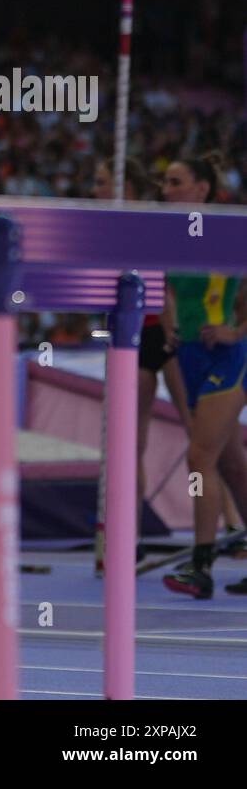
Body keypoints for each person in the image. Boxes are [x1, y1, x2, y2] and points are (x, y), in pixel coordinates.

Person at [91, 157, 193, 559]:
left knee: (202, 438)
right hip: (128, 340)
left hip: (162, 333)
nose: (94, 191)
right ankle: (125, 537)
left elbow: (166, 283)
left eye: (101, 183)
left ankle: (234, 523)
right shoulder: (105, 229)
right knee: (129, 444)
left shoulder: (148, 223)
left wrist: (173, 328)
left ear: (124, 188)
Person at [157, 154, 247, 599]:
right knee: (232, 464)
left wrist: (237, 330)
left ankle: (202, 565)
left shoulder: (229, 232)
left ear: (202, 190)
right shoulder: (171, 237)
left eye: (176, 182)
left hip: (228, 358)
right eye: (164, 183)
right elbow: (169, 287)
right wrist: (171, 322)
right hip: (190, 356)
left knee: (199, 458)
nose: (166, 190)